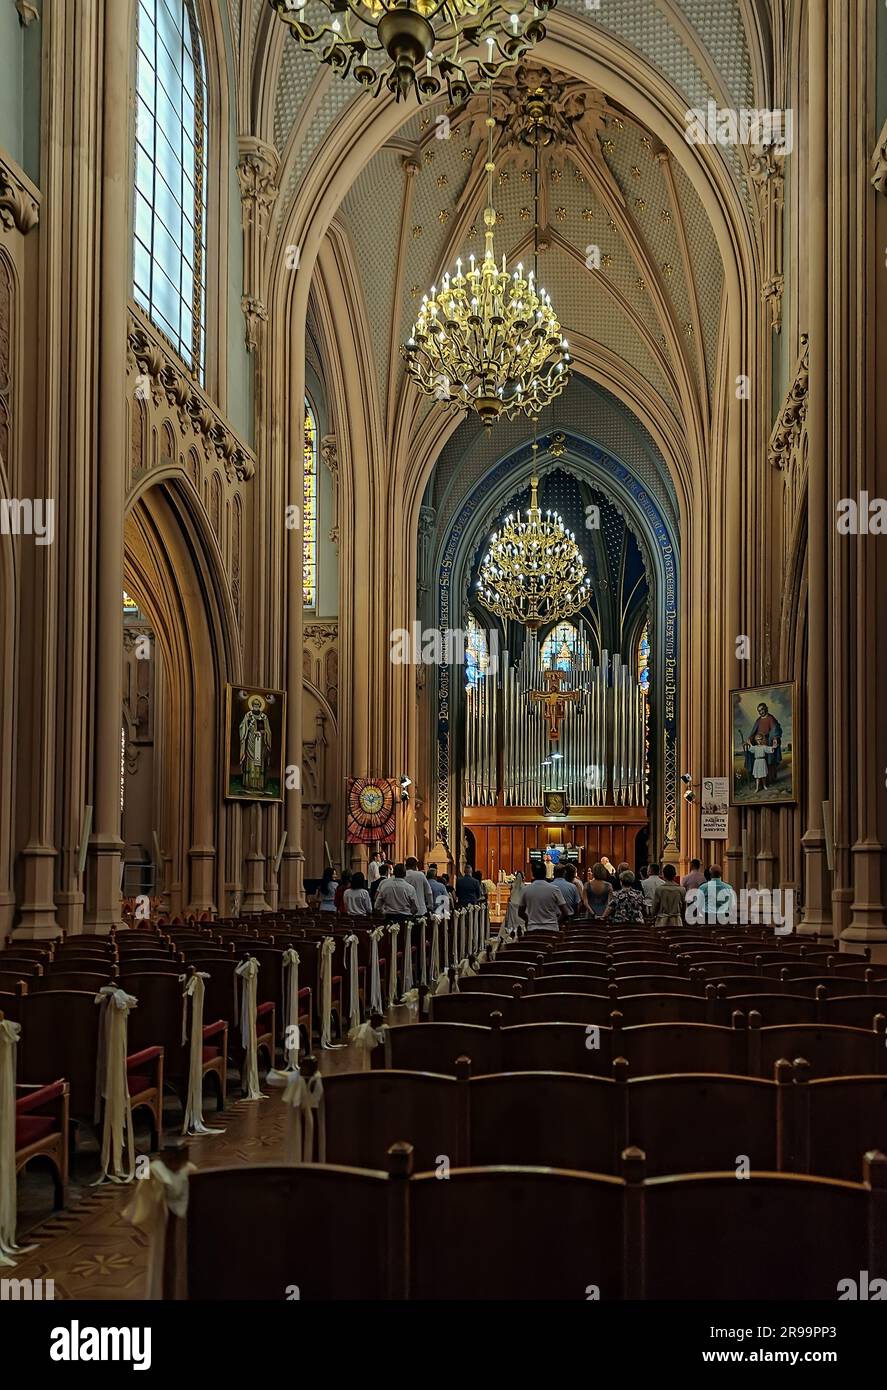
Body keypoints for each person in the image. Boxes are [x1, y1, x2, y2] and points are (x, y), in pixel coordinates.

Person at [519, 860, 570, 932]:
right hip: (552, 929)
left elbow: (520, 912)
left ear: (532, 873)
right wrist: (556, 922)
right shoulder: (554, 889)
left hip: (533, 929)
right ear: (546, 872)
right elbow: (565, 912)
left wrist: (529, 920)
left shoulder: (525, 890)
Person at [504, 871, 525, 937]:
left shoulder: (513, 885)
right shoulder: (524, 886)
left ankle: (510, 930)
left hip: (512, 906)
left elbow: (511, 896)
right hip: (520, 908)